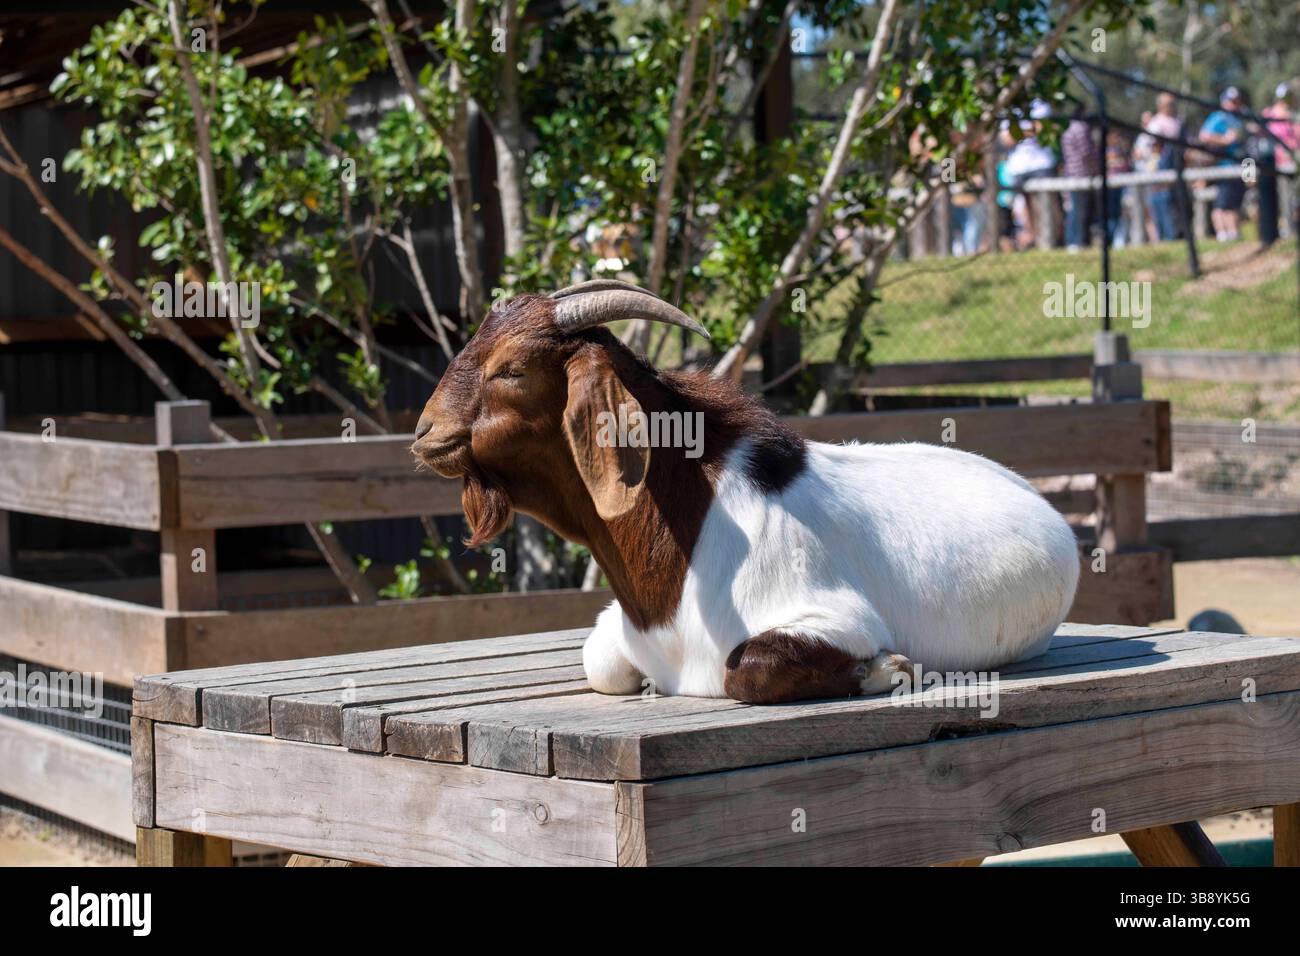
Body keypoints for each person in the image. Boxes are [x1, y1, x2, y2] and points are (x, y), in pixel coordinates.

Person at [1198, 87, 1248, 241]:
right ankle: (1225, 234)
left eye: (1237, 101)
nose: (1235, 104)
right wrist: (1224, 139)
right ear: (1224, 101)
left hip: (1244, 165)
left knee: (1238, 200)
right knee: (1224, 202)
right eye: (1232, 101)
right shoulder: (1218, 117)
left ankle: (1234, 233)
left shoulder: (1241, 117)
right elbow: (1204, 136)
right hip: (1224, 167)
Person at [1142, 92, 1184, 241]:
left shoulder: (1178, 122)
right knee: (1162, 201)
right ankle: (1167, 237)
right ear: (1160, 106)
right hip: (1160, 169)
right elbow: (1151, 149)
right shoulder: (1156, 124)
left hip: (1177, 168)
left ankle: (1177, 235)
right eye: (1169, 104)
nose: (1173, 107)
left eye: (1174, 104)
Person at [1060, 104, 1099, 251]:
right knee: (1079, 210)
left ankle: (1072, 241)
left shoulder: (1068, 129)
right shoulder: (1081, 128)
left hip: (1071, 174)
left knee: (1074, 209)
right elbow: (1086, 153)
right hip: (1082, 175)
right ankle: (1077, 241)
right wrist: (1096, 168)